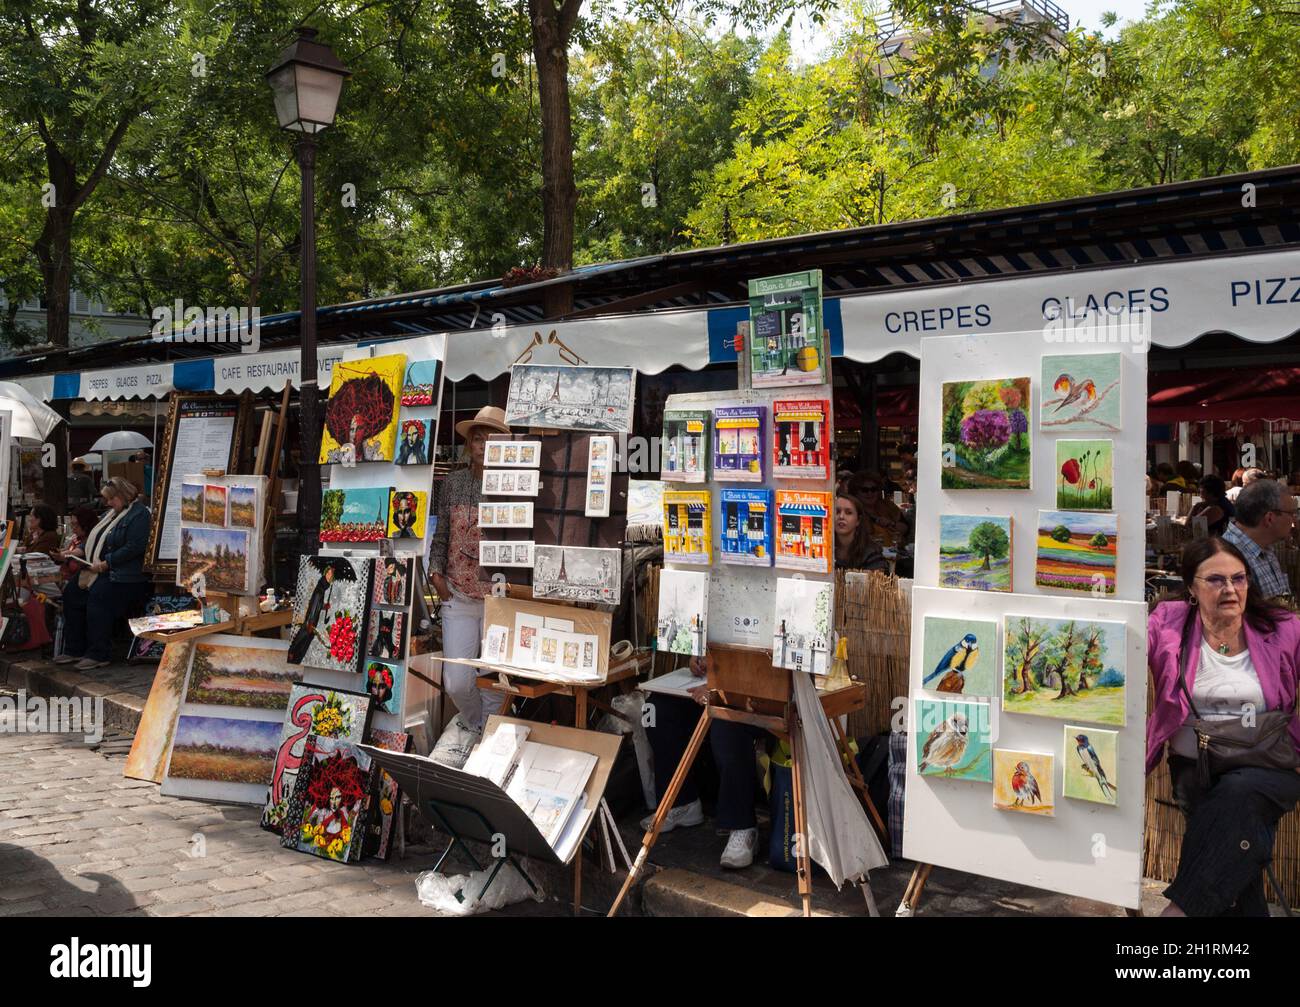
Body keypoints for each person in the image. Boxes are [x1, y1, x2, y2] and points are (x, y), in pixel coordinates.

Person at [1147, 537, 1300, 916]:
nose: (1230, 589)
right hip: (1195, 768)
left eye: (1239, 578)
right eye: (1215, 580)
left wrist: (1294, 742)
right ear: (1192, 588)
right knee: (1233, 851)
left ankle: (1178, 912)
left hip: (1268, 768)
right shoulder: (1167, 624)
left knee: (1239, 793)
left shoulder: (1283, 628)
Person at [427, 405, 511, 767]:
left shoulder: (513, 482)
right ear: (469, 443)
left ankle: (487, 743)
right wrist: (436, 575)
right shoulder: (454, 483)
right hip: (458, 594)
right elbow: (442, 531)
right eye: (477, 436)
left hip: (499, 599)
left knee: (492, 678)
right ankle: (477, 726)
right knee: (457, 681)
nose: (482, 442)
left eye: (490, 435)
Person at [642, 657, 769, 869]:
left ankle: (743, 826)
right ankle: (683, 803)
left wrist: (717, 687)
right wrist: (700, 661)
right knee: (656, 709)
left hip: (754, 695)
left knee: (725, 721)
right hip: (710, 685)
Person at [54, 477, 152, 670]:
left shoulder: (139, 515)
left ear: (122, 496)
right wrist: (75, 552)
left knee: (98, 599)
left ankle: (99, 653)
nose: (108, 503)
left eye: (111, 499)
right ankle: (75, 648)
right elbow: (94, 538)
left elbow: (135, 546)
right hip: (99, 570)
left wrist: (108, 563)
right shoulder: (112, 514)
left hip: (125, 576)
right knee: (71, 594)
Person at [1221, 479, 1296, 600]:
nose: (1294, 521)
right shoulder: (1229, 557)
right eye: (1291, 514)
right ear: (1269, 518)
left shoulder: (1263, 547)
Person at [834, 494, 889, 572]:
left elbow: (880, 578)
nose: (841, 516)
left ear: (858, 520)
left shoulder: (871, 554)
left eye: (848, 512)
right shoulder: (823, 549)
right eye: (837, 512)